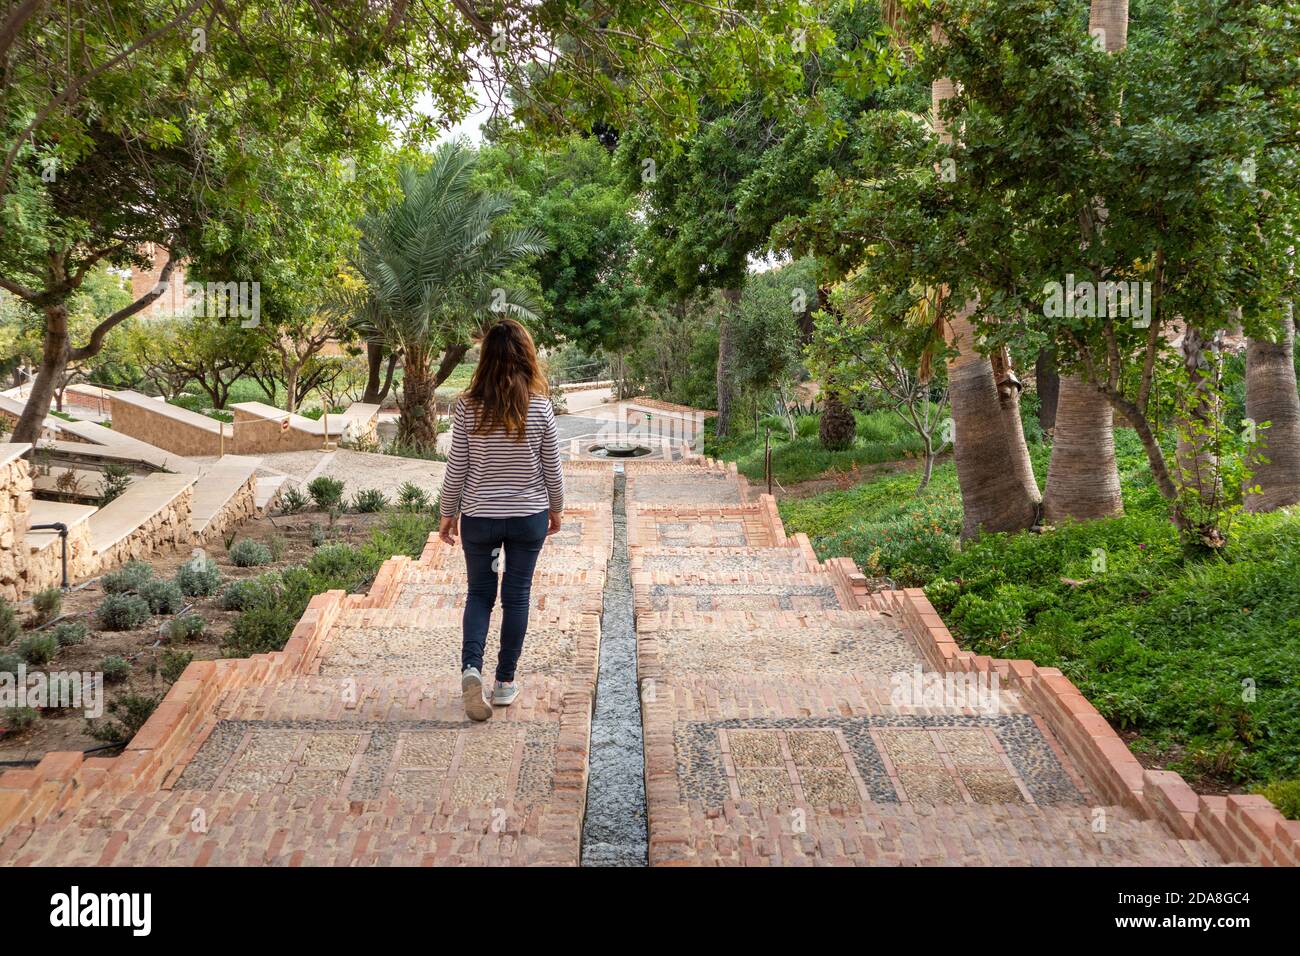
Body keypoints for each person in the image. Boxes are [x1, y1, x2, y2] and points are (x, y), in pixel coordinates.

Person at [437, 319, 564, 721]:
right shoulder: (540, 407)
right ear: (527, 357)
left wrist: (447, 513)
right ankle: (505, 682)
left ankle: (471, 668)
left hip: (481, 519)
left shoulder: (467, 407)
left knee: (479, 594)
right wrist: (556, 509)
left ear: (485, 358)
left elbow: (457, 467)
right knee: (517, 596)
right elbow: (552, 468)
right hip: (528, 518)